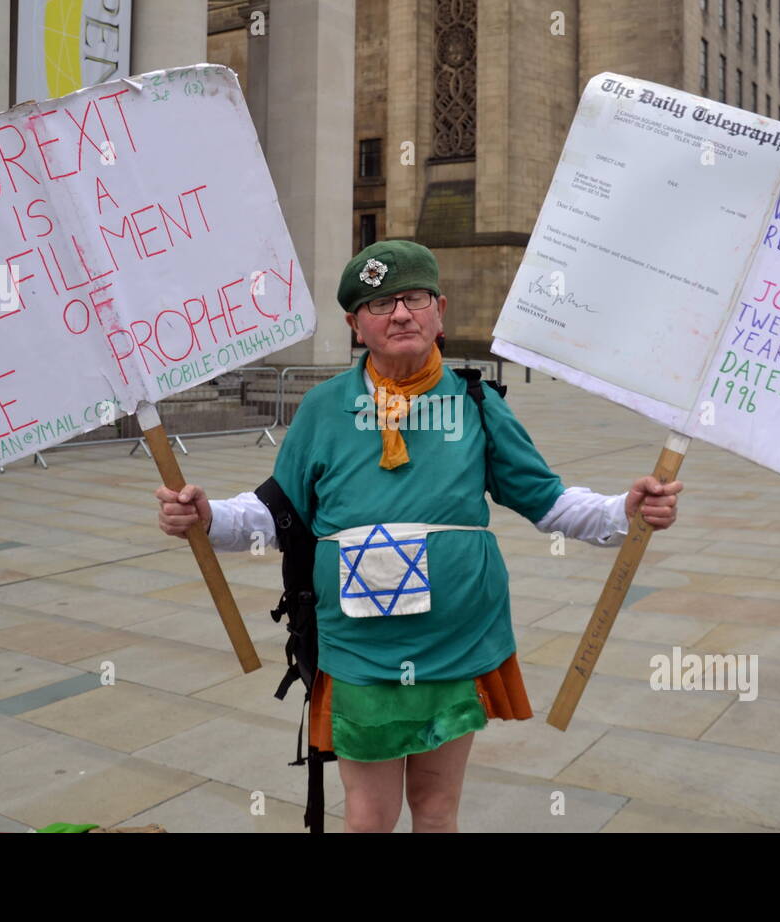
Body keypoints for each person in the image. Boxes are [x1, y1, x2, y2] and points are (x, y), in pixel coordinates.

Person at [155, 241, 682, 833]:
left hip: (453, 643)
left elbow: (549, 501)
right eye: (378, 304)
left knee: (436, 811)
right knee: (368, 819)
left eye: (414, 298)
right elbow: (275, 511)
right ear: (356, 327)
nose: (400, 313)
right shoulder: (324, 408)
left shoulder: (476, 403)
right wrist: (206, 517)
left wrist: (624, 509)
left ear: (440, 311)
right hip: (360, 649)